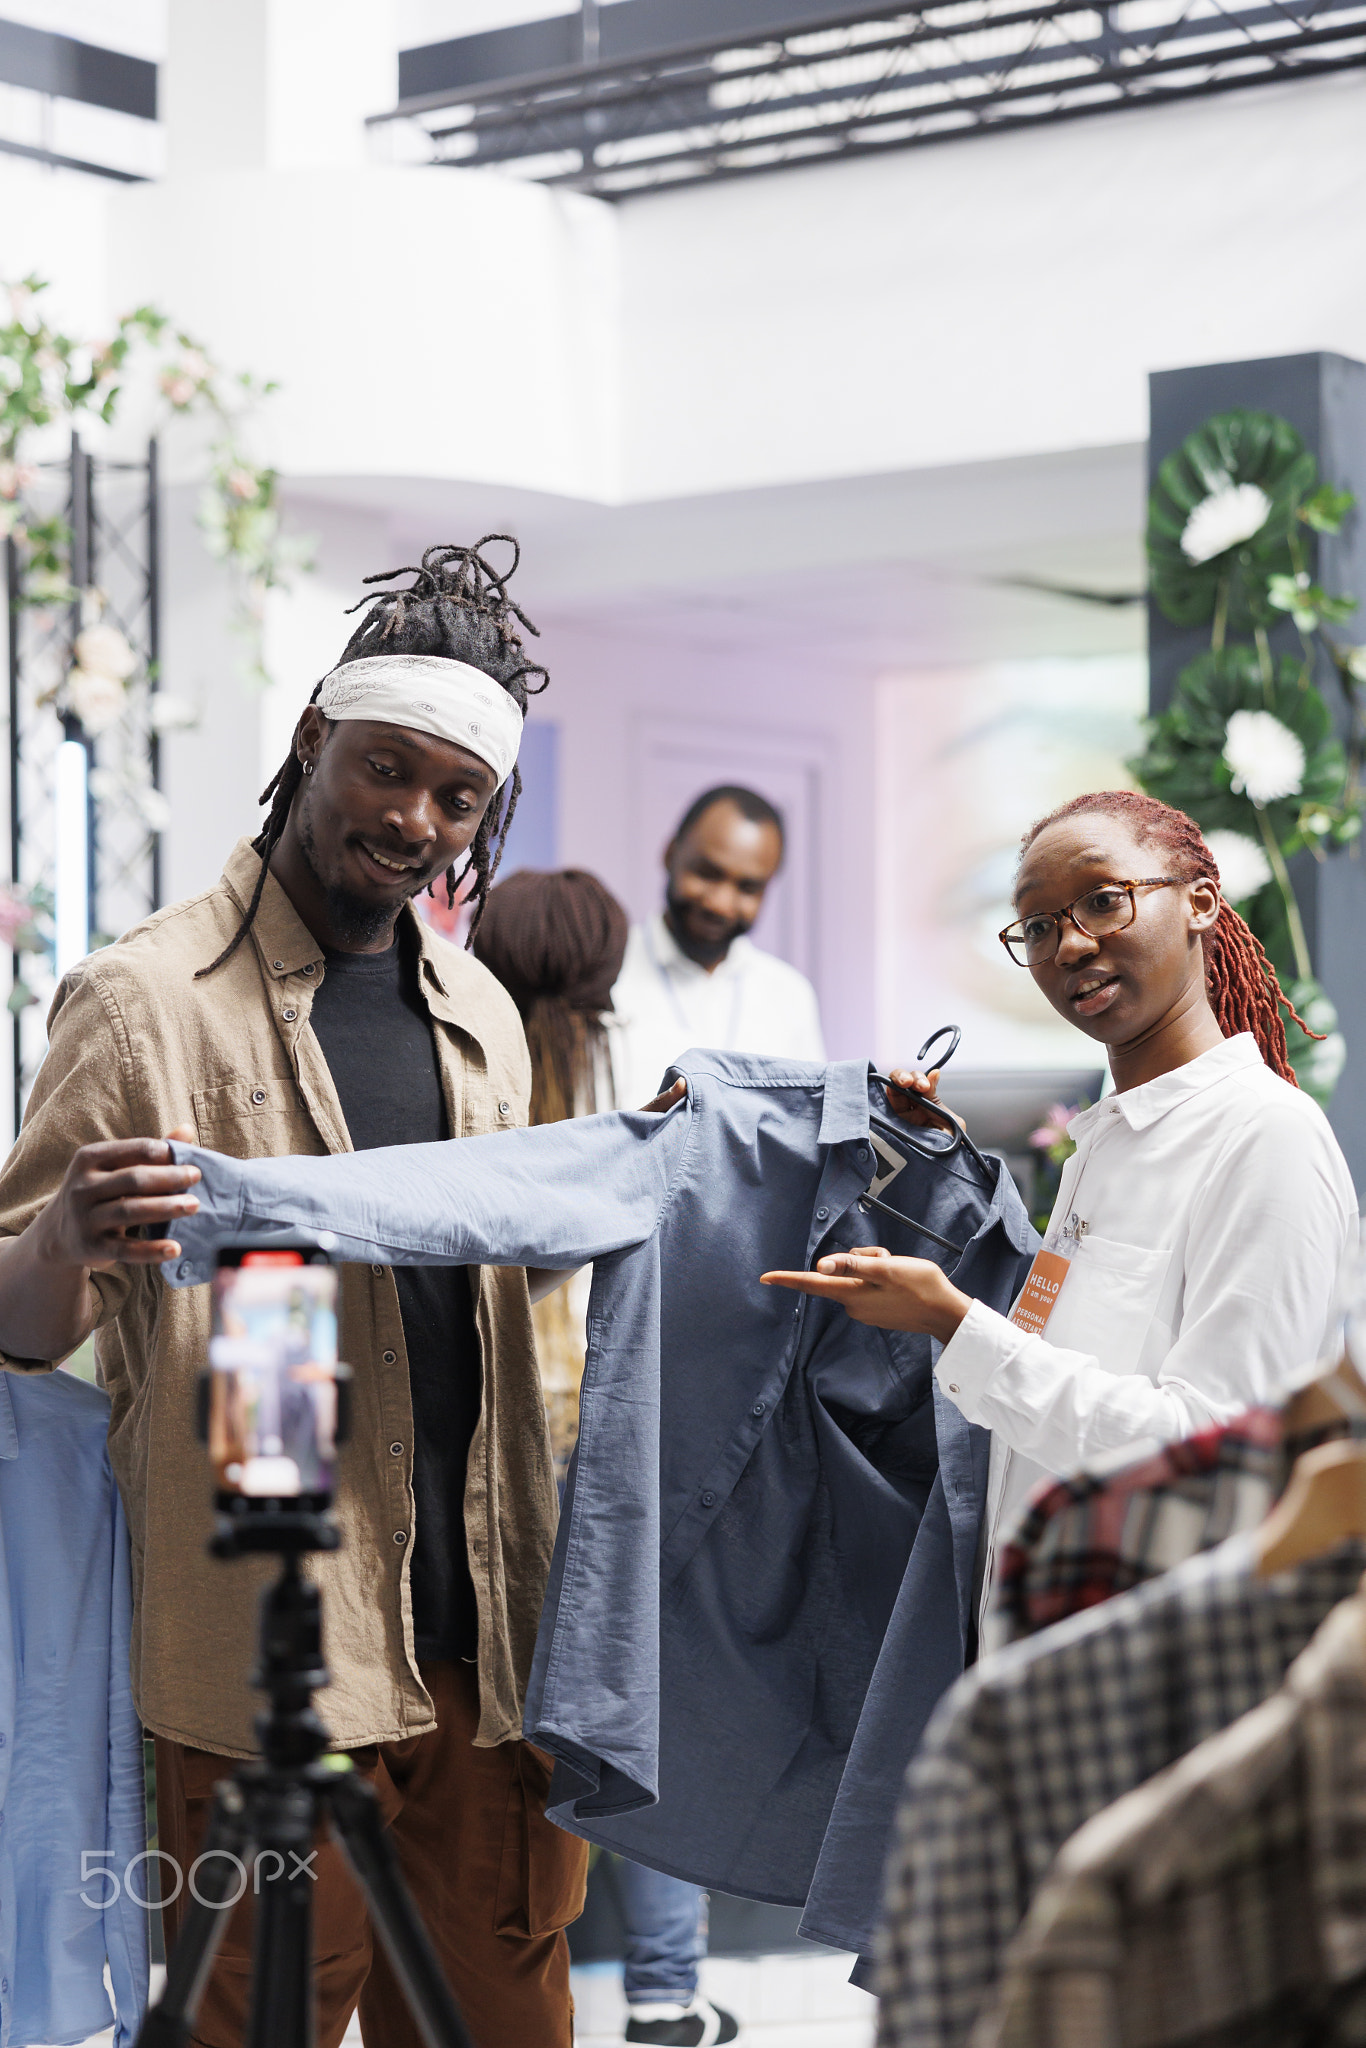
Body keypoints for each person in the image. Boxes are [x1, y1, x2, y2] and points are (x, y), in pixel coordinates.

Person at [0, 539, 591, 2048]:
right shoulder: (144, 1000)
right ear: (315, 736)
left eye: (457, 798)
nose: (414, 822)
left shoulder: (477, 1011)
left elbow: (501, 1315)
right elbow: (17, 1328)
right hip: (273, 1635)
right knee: (258, 2016)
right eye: (388, 770)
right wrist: (64, 1234)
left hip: (485, 1643)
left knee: (503, 2018)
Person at [764, 789, 1358, 1603]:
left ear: (1200, 903)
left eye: (1104, 900)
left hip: (1152, 1650)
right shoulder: (1104, 1145)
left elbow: (1216, 1457)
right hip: (1043, 1633)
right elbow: (1060, 1376)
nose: (1070, 944)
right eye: (1038, 927)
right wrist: (929, 1164)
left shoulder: (1265, 1137)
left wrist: (955, 1324)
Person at [473, 867, 741, 2048]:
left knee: (497, 1721)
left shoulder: (459, 1068)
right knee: (633, 1707)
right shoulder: (642, 1081)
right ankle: (666, 1994)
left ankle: (495, 1966)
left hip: (485, 1439)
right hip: (613, 1426)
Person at [609, 786, 824, 1111]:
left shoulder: (790, 996)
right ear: (670, 854)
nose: (721, 904)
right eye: (707, 873)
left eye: (747, 887)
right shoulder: (605, 973)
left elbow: (810, 1123)